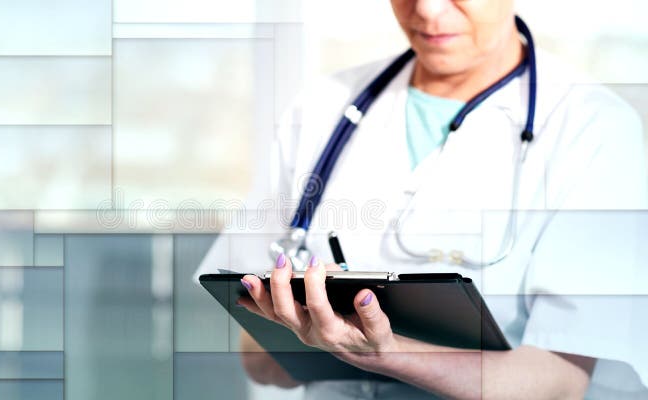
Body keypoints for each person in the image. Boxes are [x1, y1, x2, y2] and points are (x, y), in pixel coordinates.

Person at [195, 0, 648, 398]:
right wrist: (311, 324)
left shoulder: (596, 130)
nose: (428, 10)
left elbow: (558, 385)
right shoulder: (319, 109)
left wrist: (387, 353)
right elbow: (255, 357)